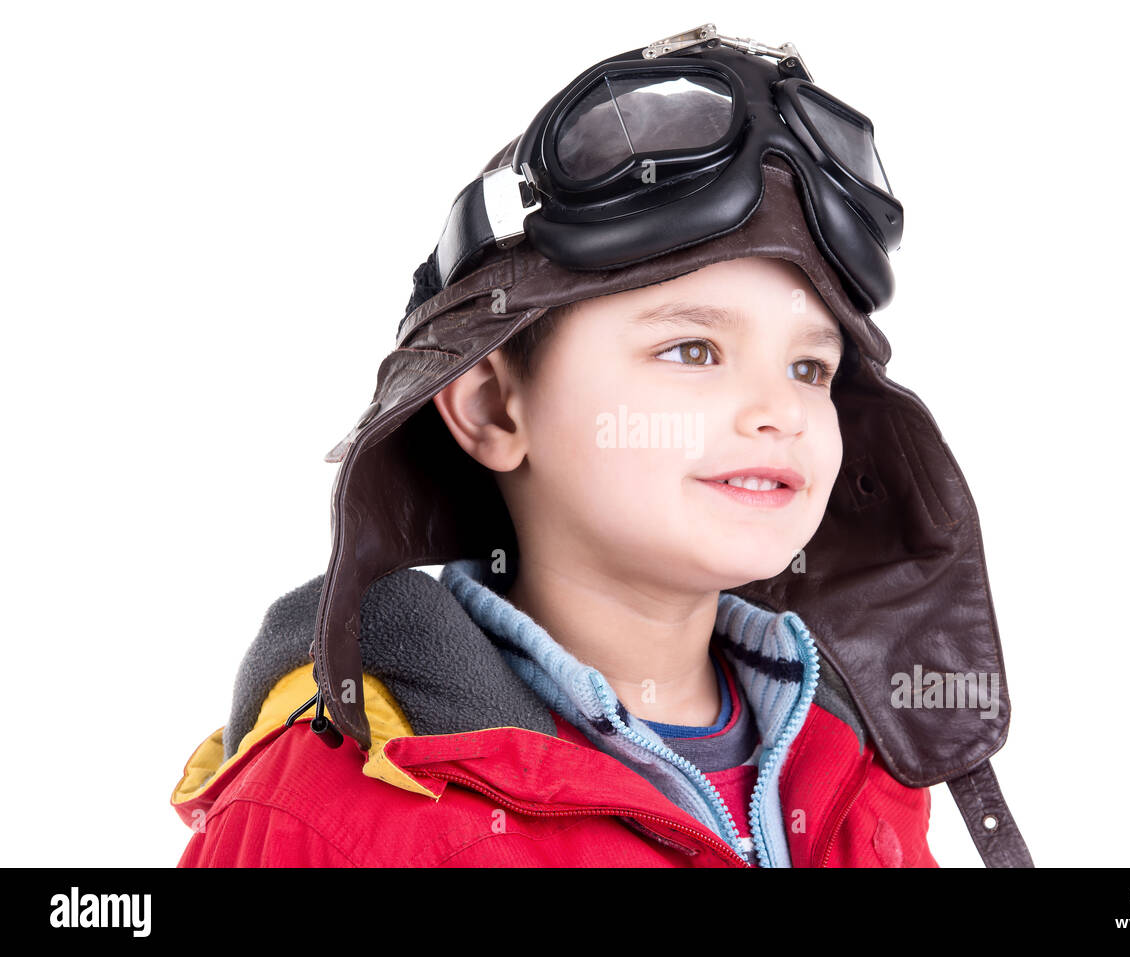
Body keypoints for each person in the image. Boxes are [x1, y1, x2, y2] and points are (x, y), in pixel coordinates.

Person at [170, 25, 1031, 868]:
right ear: (495, 410)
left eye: (811, 366)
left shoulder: (860, 756)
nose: (780, 409)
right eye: (693, 350)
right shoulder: (329, 819)